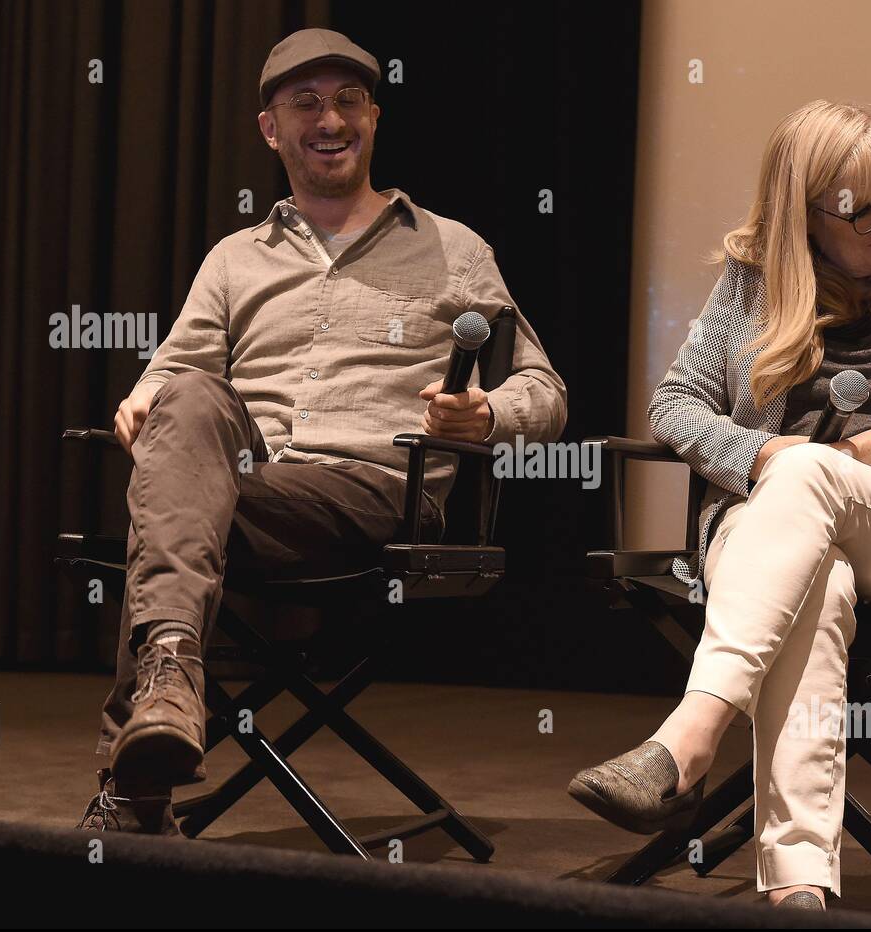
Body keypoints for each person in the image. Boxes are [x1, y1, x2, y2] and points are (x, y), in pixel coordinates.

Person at [568, 99, 871, 909]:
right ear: (803, 216)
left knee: (806, 479)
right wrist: (758, 449)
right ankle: (799, 888)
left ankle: (688, 739)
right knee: (816, 577)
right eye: (860, 207)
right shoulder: (753, 279)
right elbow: (675, 404)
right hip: (765, 534)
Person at [79, 28, 566, 834]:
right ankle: (168, 683)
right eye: (305, 103)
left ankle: (133, 796)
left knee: (168, 512)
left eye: (346, 101)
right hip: (246, 486)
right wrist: (147, 400)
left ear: (373, 119)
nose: (329, 119)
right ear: (271, 129)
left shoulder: (454, 249)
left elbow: (545, 394)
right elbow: (171, 376)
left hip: (378, 496)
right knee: (192, 401)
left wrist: (485, 414)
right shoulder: (236, 257)